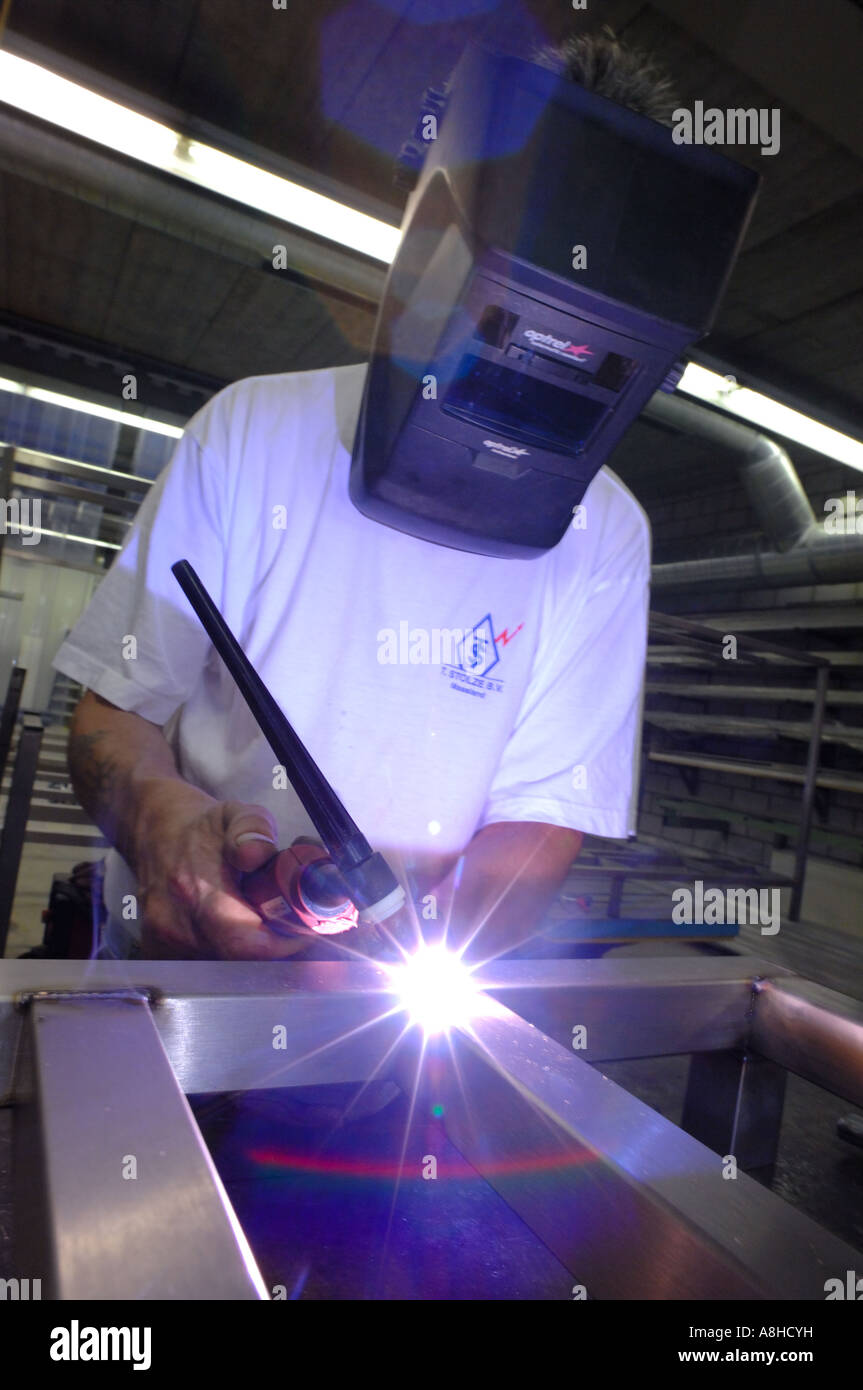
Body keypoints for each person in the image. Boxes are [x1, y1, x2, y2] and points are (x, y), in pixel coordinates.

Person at [53, 31, 665, 963]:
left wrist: (422, 957)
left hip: (383, 1022)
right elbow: (113, 721)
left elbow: (540, 821)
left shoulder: (606, 530)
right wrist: (161, 818)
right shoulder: (253, 430)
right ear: (429, 240)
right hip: (180, 964)